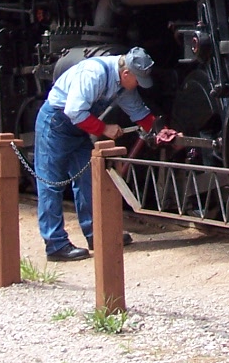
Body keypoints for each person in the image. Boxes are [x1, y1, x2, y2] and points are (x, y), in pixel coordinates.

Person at [34, 47, 158, 261]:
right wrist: (104, 129)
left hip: (77, 127)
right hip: (55, 124)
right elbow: (74, 111)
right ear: (127, 73)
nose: (137, 86)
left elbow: (138, 112)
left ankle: (95, 234)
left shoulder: (121, 83)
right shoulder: (94, 73)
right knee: (51, 183)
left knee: (88, 181)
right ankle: (55, 245)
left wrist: (160, 130)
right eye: (137, 81)